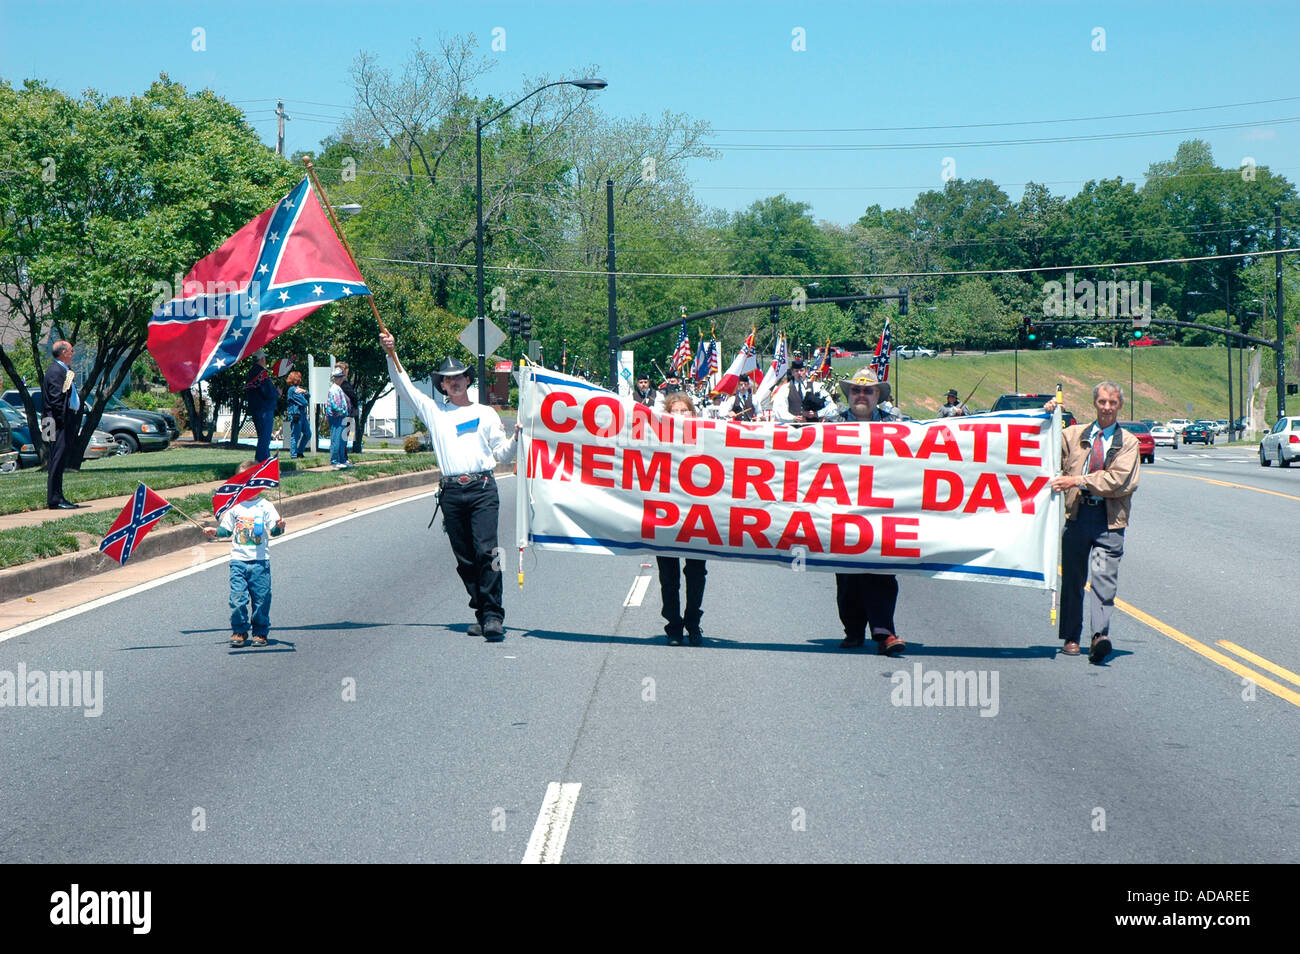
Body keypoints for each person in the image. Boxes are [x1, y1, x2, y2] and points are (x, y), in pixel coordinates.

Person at [381, 333, 520, 642]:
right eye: (448, 379)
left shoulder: (485, 413)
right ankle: (481, 611)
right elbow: (404, 386)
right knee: (466, 558)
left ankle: (494, 615)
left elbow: (502, 455)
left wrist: (516, 438)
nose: (454, 382)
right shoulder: (435, 413)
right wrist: (391, 353)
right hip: (452, 493)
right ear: (441, 385)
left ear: (468, 380)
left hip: (482, 488)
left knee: (488, 551)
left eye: (459, 377)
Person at [1046, 382, 1140, 664]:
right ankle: (1071, 637)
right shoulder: (1073, 435)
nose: (1107, 408)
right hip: (1077, 516)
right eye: (1102, 402)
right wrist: (1046, 415)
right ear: (1095, 404)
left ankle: (1099, 635)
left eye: (1112, 403)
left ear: (1119, 405)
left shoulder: (1130, 443)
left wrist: (1077, 480)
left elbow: (1118, 481)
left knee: (1103, 579)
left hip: (1108, 521)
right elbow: (1044, 447)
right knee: (1073, 580)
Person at [833, 367, 905, 656]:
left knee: (882, 571)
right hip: (840, 508)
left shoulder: (899, 424)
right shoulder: (830, 423)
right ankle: (852, 630)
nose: (861, 395)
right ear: (849, 394)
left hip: (882, 510)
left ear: (878, 396)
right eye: (856, 390)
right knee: (846, 575)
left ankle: (884, 632)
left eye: (868, 390)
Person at [203, 464, 285, 648]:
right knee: (237, 598)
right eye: (244, 483)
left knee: (262, 599)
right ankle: (239, 630)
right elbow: (227, 530)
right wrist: (215, 532)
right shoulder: (235, 507)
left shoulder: (266, 506)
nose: (250, 487)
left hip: (260, 562)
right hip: (238, 561)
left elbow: (273, 531)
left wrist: (279, 526)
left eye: (253, 482)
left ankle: (260, 632)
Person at [657, 392, 708, 646]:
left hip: (697, 517)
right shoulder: (656, 442)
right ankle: (674, 627)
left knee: (696, 573)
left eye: (684, 411)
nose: (679, 416)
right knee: (669, 576)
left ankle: (693, 622)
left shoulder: (708, 439)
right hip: (666, 516)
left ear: (693, 414)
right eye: (674, 412)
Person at [42, 340, 84, 510]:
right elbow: (55, 399)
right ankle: (54, 499)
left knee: (59, 460)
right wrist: (62, 421)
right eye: (71, 350)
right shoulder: (55, 371)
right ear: (63, 353)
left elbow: (66, 395)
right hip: (56, 422)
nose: (73, 353)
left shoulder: (64, 371)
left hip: (61, 420)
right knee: (56, 459)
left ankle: (58, 496)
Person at [773, 359, 835, 424]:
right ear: (792, 373)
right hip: (793, 429)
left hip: (815, 428)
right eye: (796, 371)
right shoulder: (785, 389)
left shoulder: (817, 387)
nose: (799, 373)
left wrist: (817, 414)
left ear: (806, 371)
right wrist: (793, 418)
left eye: (801, 370)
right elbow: (778, 410)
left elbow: (832, 407)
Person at [244, 350, 279, 462]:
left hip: (255, 409)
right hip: (265, 409)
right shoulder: (262, 373)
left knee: (262, 437)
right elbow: (268, 392)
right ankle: (261, 463)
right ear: (262, 359)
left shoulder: (250, 373)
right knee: (265, 438)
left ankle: (266, 461)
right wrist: (277, 392)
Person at [325, 368, 351, 469]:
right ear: (335, 378)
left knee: (341, 440)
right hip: (336, 417)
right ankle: (335, 460)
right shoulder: (334, 389)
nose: (340, 379)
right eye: (338, 377)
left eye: (341, 377)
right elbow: (334, 404)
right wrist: (342, 411)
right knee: (336, 439)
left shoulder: (337, 388)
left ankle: (341, 460)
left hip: (341, 416)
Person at [336, 360, 360, 463]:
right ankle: (343, 458)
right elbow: (353, 397)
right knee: (344, 437)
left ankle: (342, 457)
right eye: (346, 369)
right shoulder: (344, 384)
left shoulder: (338, 384)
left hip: (343, 413)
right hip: (347, 413)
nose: (347, 371)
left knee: (343, 436)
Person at [285, 371, 311, 458]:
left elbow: (309, 395)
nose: (299, 379)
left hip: (302, 415)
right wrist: (304, 394)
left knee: (308, 434)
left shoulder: (298, 389)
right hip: (296, 415)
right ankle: (294, 455)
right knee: (295, 435)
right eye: (297, 378)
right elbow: (304, 402)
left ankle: (300, 451)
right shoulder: (292, 389)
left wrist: (304, 391)